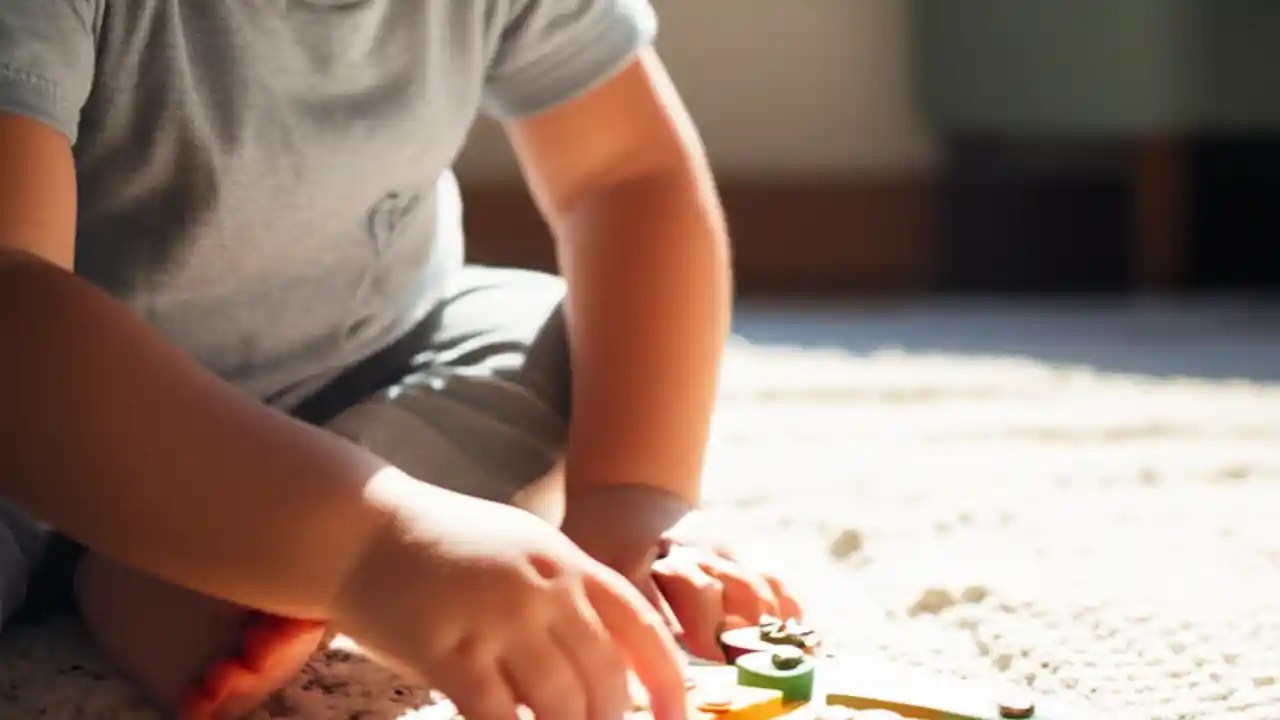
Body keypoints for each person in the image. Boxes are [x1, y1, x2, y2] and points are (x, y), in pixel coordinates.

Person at [0, 1, 804, 718]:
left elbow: (628, 180)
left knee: (551, 334)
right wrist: (369, 548)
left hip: (357, 375)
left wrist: (630, 504)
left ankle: (229, 562)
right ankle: (264, 542)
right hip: (37, 430)